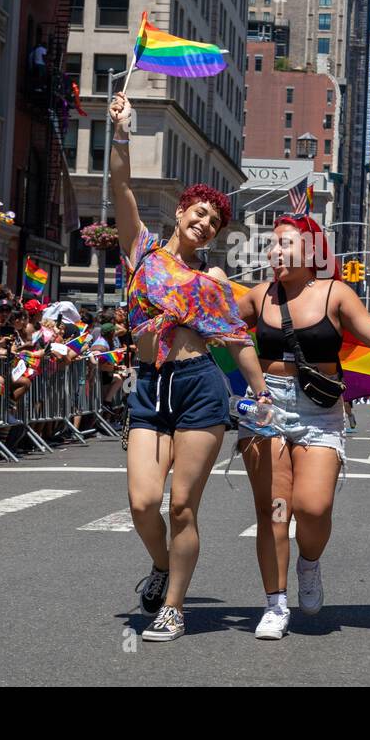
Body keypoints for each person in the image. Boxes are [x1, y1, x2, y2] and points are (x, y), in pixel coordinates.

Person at [109, 90, 270, 643]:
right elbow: (121, 188)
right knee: (142, 501)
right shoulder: (143, 254)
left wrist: (261, 392)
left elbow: (237, 339)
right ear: (181, 212)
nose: (205, 224)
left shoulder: (214, 283)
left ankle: (173, 606)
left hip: (200, 387)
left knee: (181, 505)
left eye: (215, 223)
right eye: (199, 213)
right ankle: (160, 567)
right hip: (150, 386)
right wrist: (123, 132)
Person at [235, 214, 370, 640]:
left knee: (313, 507)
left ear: (311, 252)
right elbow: (216, 328)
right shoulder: (258, 297)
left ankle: (309, 564)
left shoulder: (335, 294)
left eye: (286, 244)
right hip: (266, 407)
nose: (276, 253)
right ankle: (275, 603)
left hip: (318, 410)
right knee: (273, 512)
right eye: (271, 245)